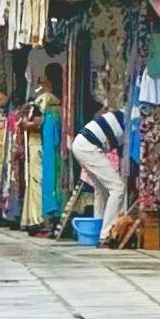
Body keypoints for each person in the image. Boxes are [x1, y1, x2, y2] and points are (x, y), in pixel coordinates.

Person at [61, 98, 128, 237]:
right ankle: (107, 232)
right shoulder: (129, 122)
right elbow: (126, 157)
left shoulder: (122, 116)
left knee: (101, 189)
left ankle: (97, 229)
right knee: (118, 188)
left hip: (82, 144)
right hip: (88, 147)